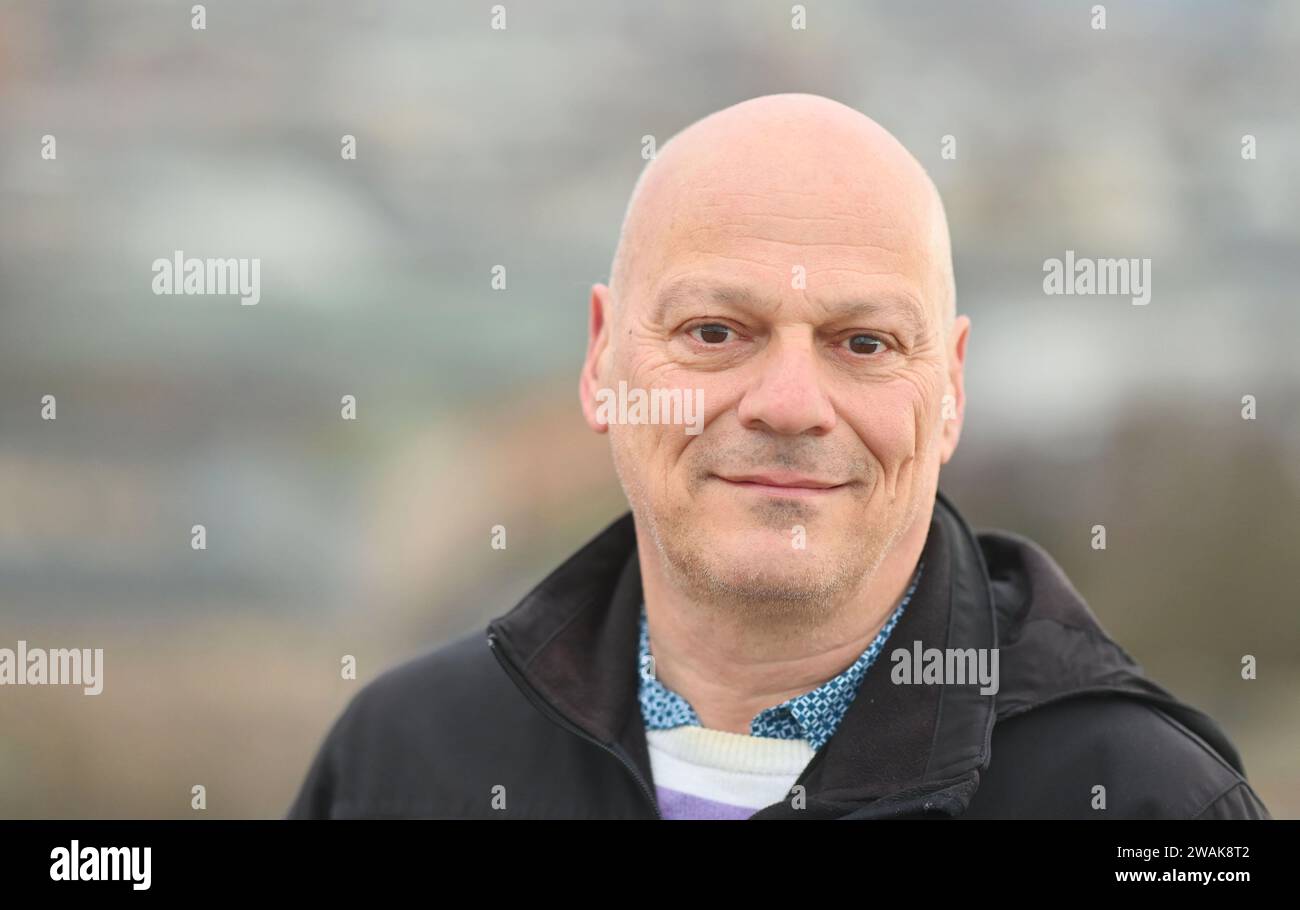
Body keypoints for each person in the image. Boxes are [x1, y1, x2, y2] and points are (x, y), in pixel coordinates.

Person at [288, 94, 1270, 819]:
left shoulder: (1152, 808)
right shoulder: (403, 761)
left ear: (951, 391)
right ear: (600, 359)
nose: (791, 405)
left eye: (863, 343)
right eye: (716, 332)